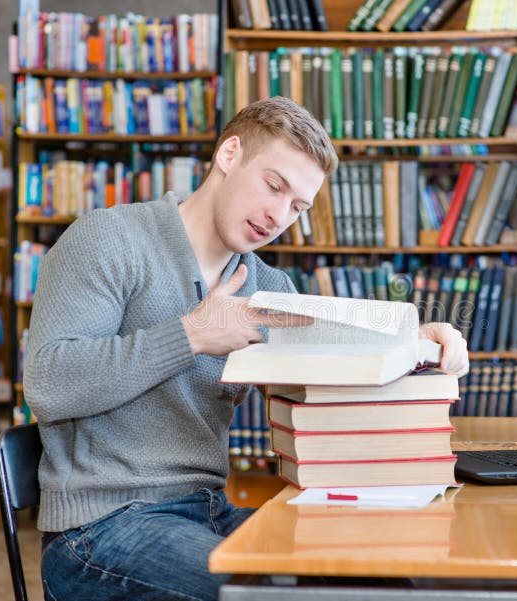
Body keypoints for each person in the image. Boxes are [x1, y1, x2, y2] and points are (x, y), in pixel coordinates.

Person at [27, 96, 470, 601]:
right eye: (274, 186)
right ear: (230, 154)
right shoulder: (109, 238)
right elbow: (49, 385)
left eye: (298, 206)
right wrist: (193, 333)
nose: (278, 215)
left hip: (209, 511)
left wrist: (417, 342)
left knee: (376, 581)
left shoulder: (264, 284)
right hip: (99, 529)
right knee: (276, 596)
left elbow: (342, 354)